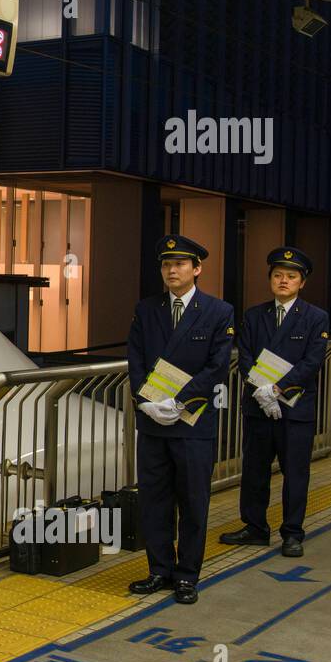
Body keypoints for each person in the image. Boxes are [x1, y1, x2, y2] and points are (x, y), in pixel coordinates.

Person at [126, 235, 235, 604]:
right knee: (154, 499)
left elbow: (217, 366)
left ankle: (187, 574)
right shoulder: (147, 309)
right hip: (154, 422)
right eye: (166, 265)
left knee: (192, 500)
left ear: (197, 269)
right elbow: (136, 359)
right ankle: (159, 569)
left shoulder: (219, 312)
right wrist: (145, 401)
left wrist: (180, 401)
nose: (172, 270)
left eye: (180, 264)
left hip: (192, 422)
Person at [220, 247, 329, 557]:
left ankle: (292, 532)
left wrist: (278, 390)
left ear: (302, 282)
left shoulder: (315, 317)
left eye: (291, 276)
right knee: (254, 471)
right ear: (270, 279)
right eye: (278, 275)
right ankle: (255, 527)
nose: (284, 281)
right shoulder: (255, 315)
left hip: (295, 410)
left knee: (295, 473)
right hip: (258, 406)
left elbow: (312, 362)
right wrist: (262, 391)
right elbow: (246, 356)